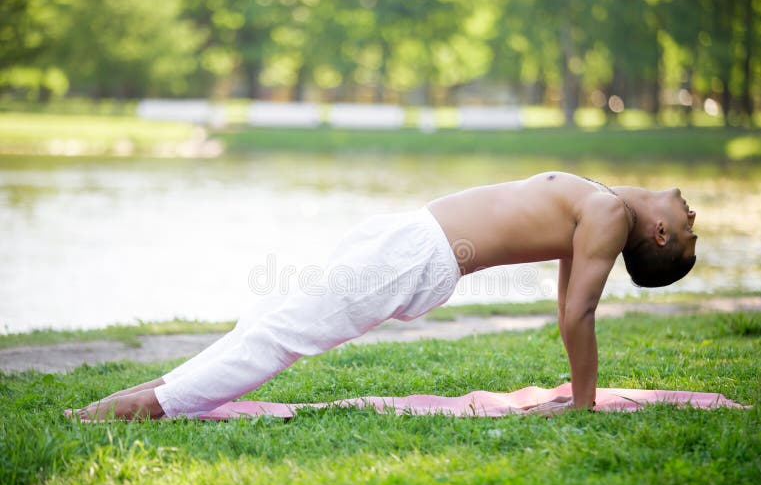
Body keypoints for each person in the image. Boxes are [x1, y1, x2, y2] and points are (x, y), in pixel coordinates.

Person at [70, 171, 697, 420]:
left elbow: (579, 311)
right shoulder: (603, 208)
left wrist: (581, 400)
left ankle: (134, 411)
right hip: (408, 237)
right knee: (268, 319)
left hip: (414, 258)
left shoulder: (611, 214)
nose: (695, 216)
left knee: (277, 337)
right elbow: (570, 303)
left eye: (690, 232)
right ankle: (136, 399)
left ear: (660, 233)